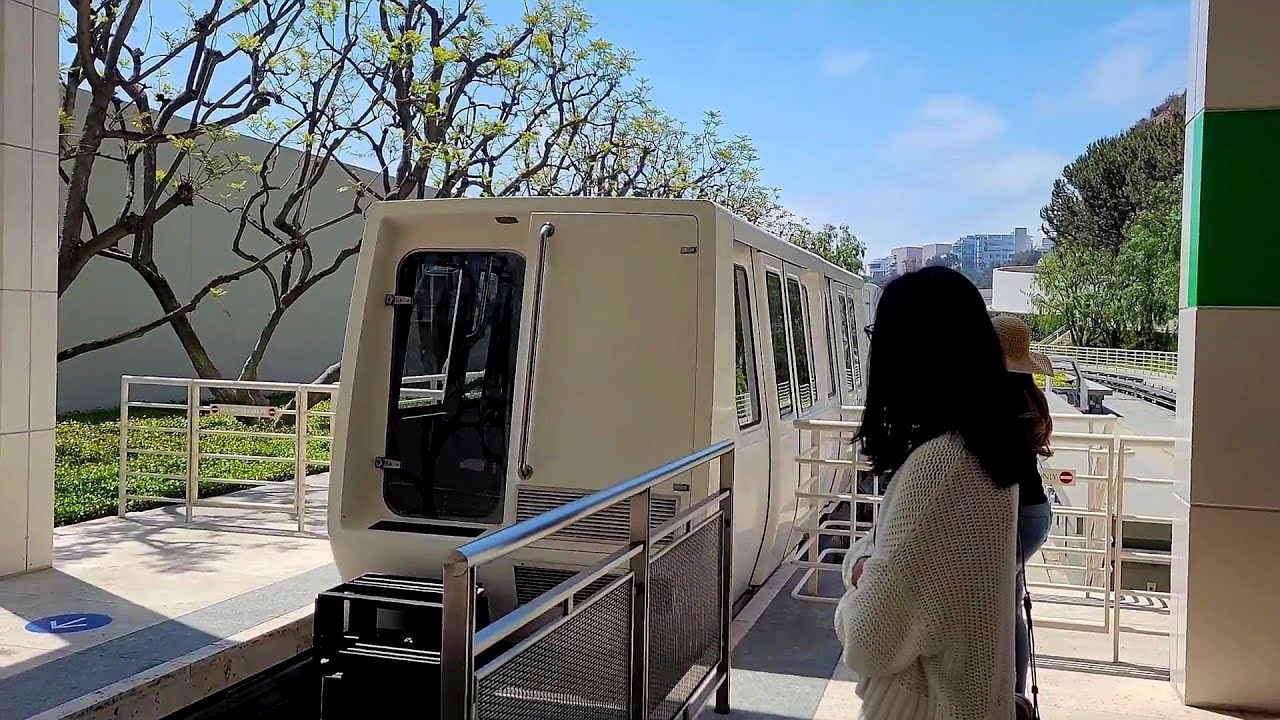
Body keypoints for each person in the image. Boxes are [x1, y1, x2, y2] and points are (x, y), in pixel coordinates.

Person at [834, 266, 1037, 719]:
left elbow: (868, 641)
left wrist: (856, 577)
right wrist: (870, 566)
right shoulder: (984, 447)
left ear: (910, 351)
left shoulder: (939, 468)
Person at [992, 314, 1057, 699]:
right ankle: (1015, 696)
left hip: (1016, 514)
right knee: (1012, 605)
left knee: (1000, 605)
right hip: (1035, 511)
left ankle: (1010, 695)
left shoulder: (999, 404)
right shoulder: (1028, 399)